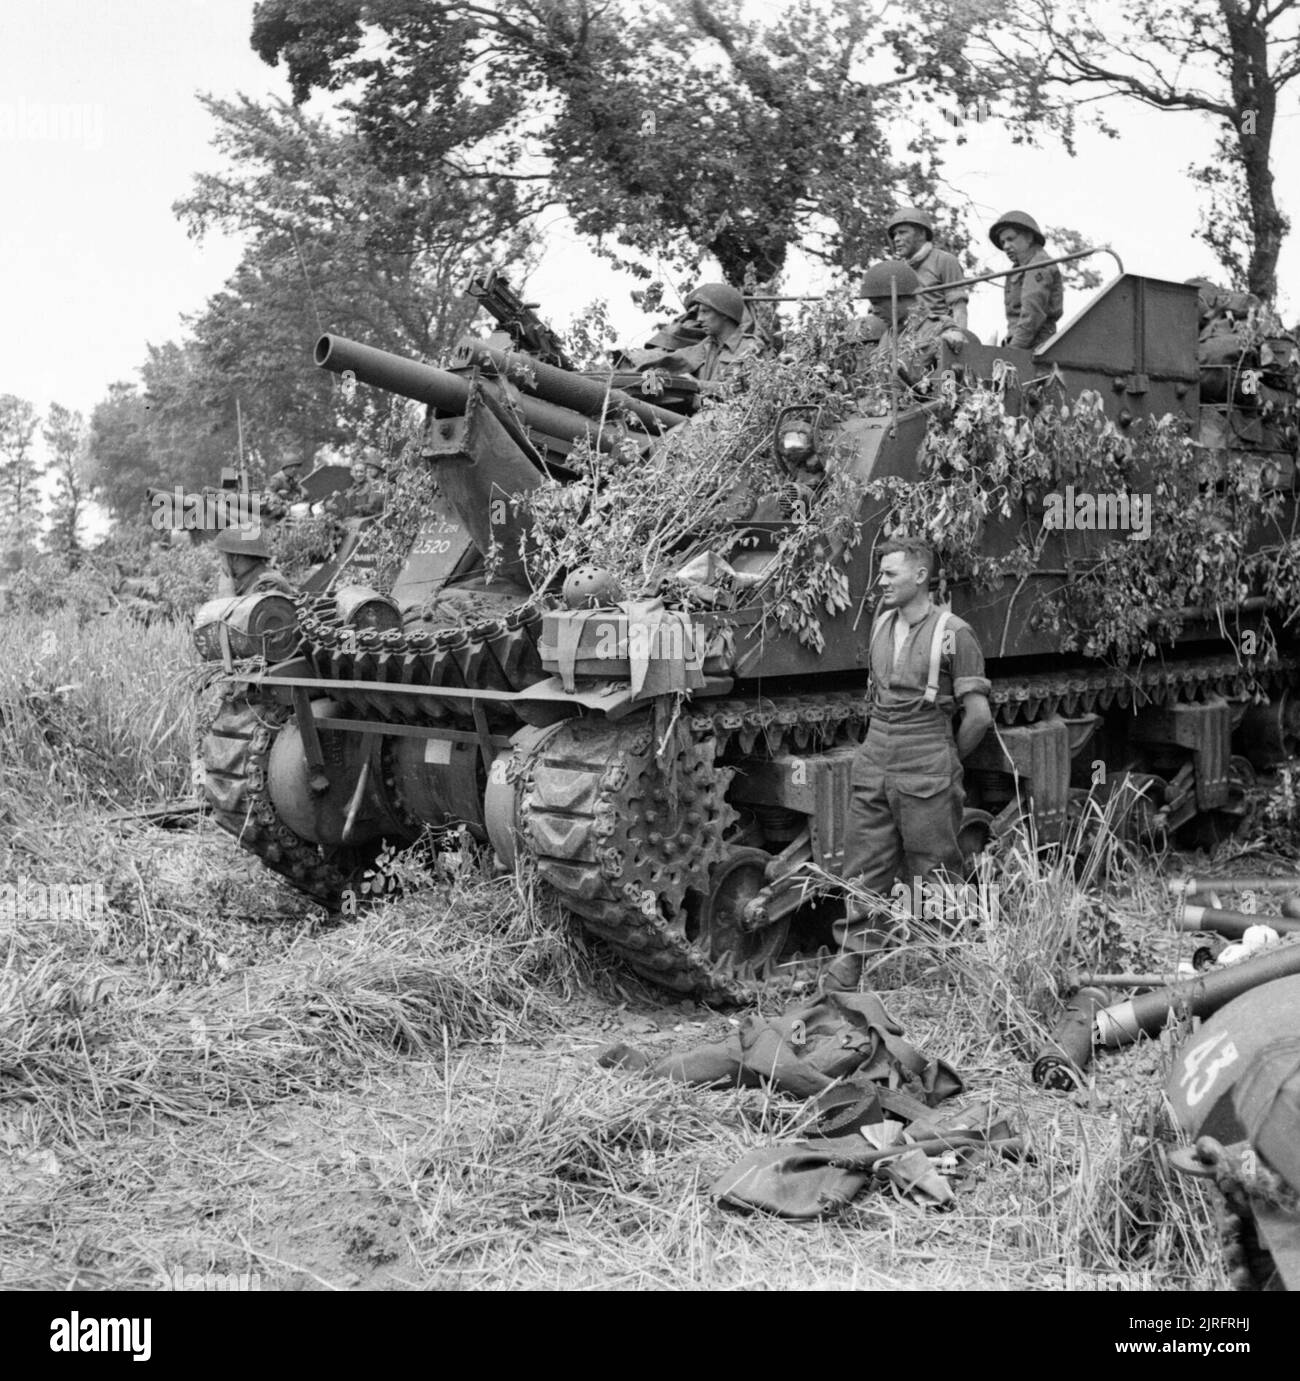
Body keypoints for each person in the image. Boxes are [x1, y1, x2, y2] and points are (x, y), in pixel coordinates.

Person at [825, 537, 993, 992]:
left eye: (890, 574)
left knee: (933, 868)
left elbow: (978, 715)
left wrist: (944, 758)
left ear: (920, 576)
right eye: (880, 574)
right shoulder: (881, 624)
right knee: (863, 864)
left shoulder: (954, 633)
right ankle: (852, 962)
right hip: (876, 754)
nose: (880, 582)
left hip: (926, 754)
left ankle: (942, 967)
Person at [859, 260, 967, 387]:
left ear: (900, 297)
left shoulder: (940, 327)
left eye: (877, 302)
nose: (873, 310)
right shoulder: (887, 336)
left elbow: (945, 390)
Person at [990, 210, 1063, 351]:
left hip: (1036, 347)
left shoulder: (1039, 263)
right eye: (1003, 242)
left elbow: (1032, 314)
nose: (1005, 246)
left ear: (1029, 237)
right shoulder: (1017, 269)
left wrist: (1013, 350)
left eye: (1010, 239)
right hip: (1020, 344)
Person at [885, 208, 969, 328]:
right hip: (908, 338)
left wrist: (959, 337)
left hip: (939, 333)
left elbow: (958, 306)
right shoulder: (898, 270)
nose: (896, 239)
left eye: (902, 232)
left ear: (921, 234)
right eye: (894, 235)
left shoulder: (944, 260)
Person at [214, 525, 294, 598]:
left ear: (235, 557)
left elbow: (248, 613)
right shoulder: (245, 587)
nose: (220, 563)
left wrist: (226, 591)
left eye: (222, 556)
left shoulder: (269, 583)